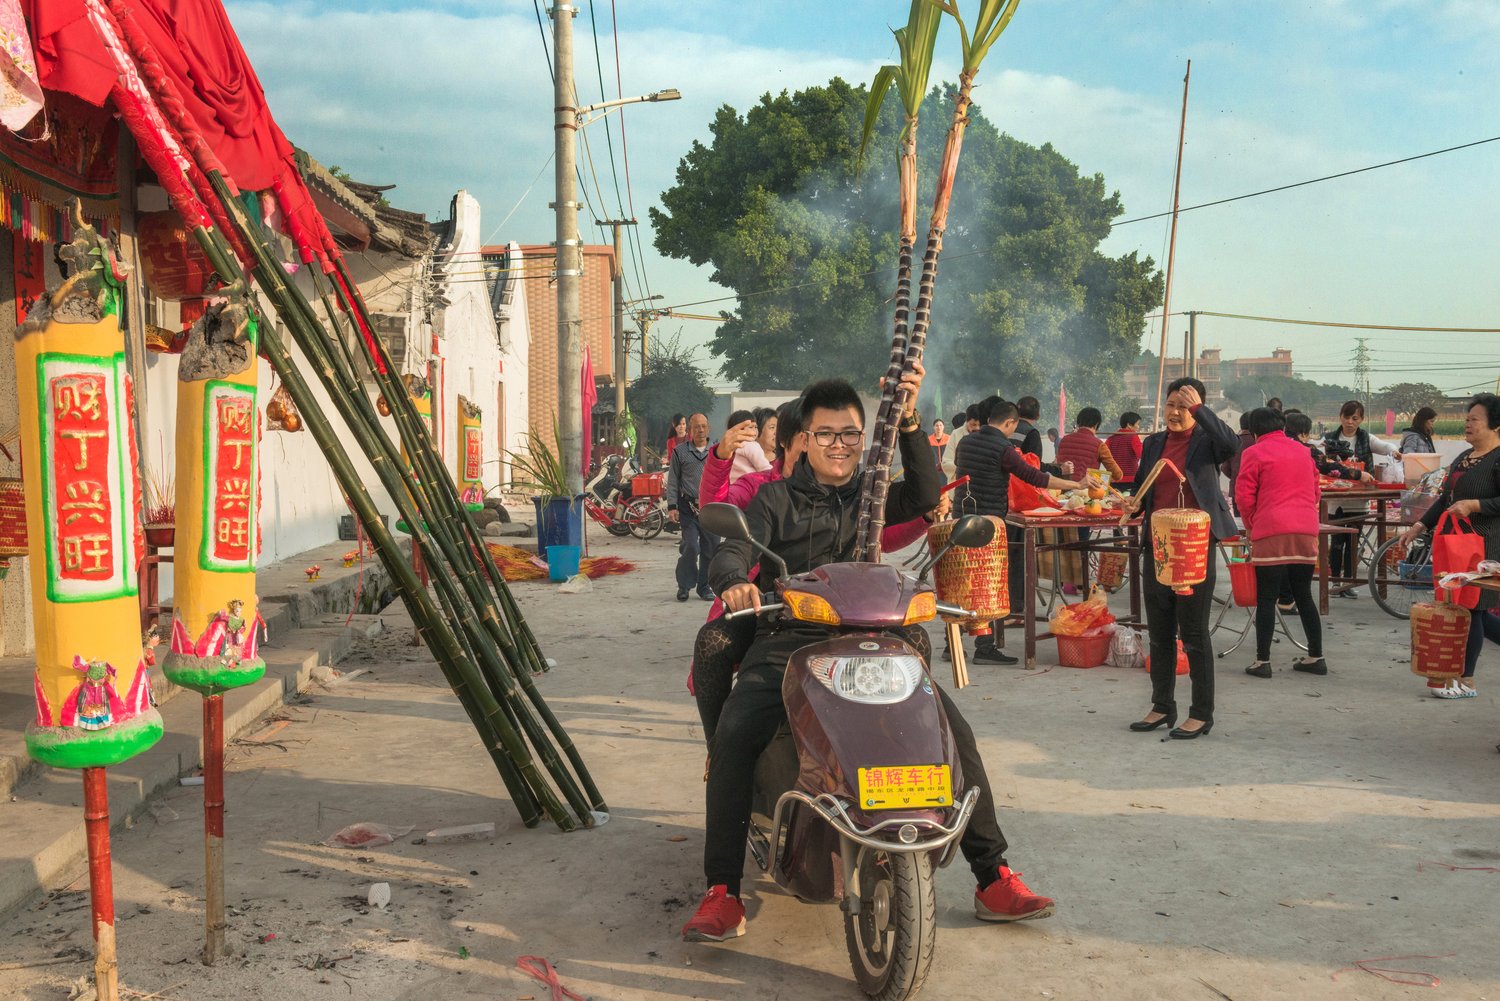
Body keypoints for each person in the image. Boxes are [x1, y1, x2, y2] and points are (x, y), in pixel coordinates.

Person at [682, 379, 1056, 943]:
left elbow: (929, 493)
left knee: (956, 733)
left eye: (850, 434)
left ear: (863, 437)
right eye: (826, 434)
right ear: (803, 439)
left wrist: (907, 422)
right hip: (790, 641)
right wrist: (735, 579)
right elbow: (734, 546)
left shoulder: (877, 494)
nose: (840, 445)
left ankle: (993, 875)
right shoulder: (772, 501)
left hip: (876, 641)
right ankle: (722, 891)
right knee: (736, 731)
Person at [1125, 377, 1238, 739]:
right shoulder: (1154, 441)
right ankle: (1162, 705)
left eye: (1183, 406)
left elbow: (1231, 443)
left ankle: (1202, 713)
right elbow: (1143, 487)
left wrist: (1199, 409)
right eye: (1171, 404)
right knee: (1159, 632)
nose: (1174, 412)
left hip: (1194, 546)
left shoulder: (1207, 443)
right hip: (1157, 545)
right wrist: (1131, 503)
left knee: (1192, 631)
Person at [955, 399, 1082, 661]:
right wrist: (1077, 485)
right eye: (1013, 426)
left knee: (962, 582)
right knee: (986, 585)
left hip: (961, 518)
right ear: (1009, 423)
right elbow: (1034, 476)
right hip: (986, 524)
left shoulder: (966, 441)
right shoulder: (1003, 447)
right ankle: (984, 647)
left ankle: (952, 644)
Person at [1399, 394, 1500, 699]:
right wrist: (1419, 525)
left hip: (1487, 546)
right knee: (1470, 609)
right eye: (1467, 419)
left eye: (1474, 420)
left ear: (1495, 425)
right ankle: (1461, 677)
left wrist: (1476, 505)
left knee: (1473, 608)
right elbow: (1445, 500)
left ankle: (1466, 679)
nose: (1467, 424)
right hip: (1457, 546)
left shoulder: (1497, 459)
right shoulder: (1463, 457)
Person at [1234, 408, 1327, 678]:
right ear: (1282, 425)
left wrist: (1252, 526)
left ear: (1254, 431)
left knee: (1266, 598)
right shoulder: (1303, 451)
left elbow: (1244, 496)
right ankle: (1316, 657)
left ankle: (1262, 662)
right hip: (1305, 531)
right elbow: (1315, 490)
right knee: (1303, 595)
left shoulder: (1253, 453)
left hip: (1271, 530)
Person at [1323, 401, 1402, 597]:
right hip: (1336, 498)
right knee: (1336, 542)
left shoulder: (1366, 438)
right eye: (1346, 417)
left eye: (1354, 418)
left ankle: (1349, 583)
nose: (1350, 422)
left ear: (1361, 419)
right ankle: (1335, 583)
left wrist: (1394, 452)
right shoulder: (1329, 439)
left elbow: (1386, 447)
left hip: (1358, 499)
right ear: (1340, 417)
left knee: (1353, 542)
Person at [666, 414, 717, 602]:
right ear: (690, 430)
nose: (701, 430)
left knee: (710, 549)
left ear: (709, 428)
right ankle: (685, 585)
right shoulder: (680, 452)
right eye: (696, 427)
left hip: (712, 509)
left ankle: (705, 587)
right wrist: (672, 506)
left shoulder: (717, 451)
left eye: (704, 426)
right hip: (688, 508)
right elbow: (673, 481)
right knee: (691, 546)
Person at [1055, 407, 1124, 482]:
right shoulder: (1099, 445)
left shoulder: (1064, 440)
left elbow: (1058, 464)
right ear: (1096, 424)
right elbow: (1117, 475)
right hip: (1085, 491)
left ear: (1078, 422)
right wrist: (1102, 479)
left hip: (1062, 489)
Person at [729, 407, 776, 483]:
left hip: (734, 487)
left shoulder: (730, 447)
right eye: (751, 427)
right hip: (750, 488)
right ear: (739, 429)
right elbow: (765, 469)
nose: (754, 430)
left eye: (756, 427)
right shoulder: (751, 445)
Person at [1106, 411, 1143, 488]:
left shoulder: (1111, 438)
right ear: (1129, 424)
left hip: (1113, 480)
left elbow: (1103, 456)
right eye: (1138, 424)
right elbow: (1142, 455)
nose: (1138, 427)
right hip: (1130, 480)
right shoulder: (1133, 437)